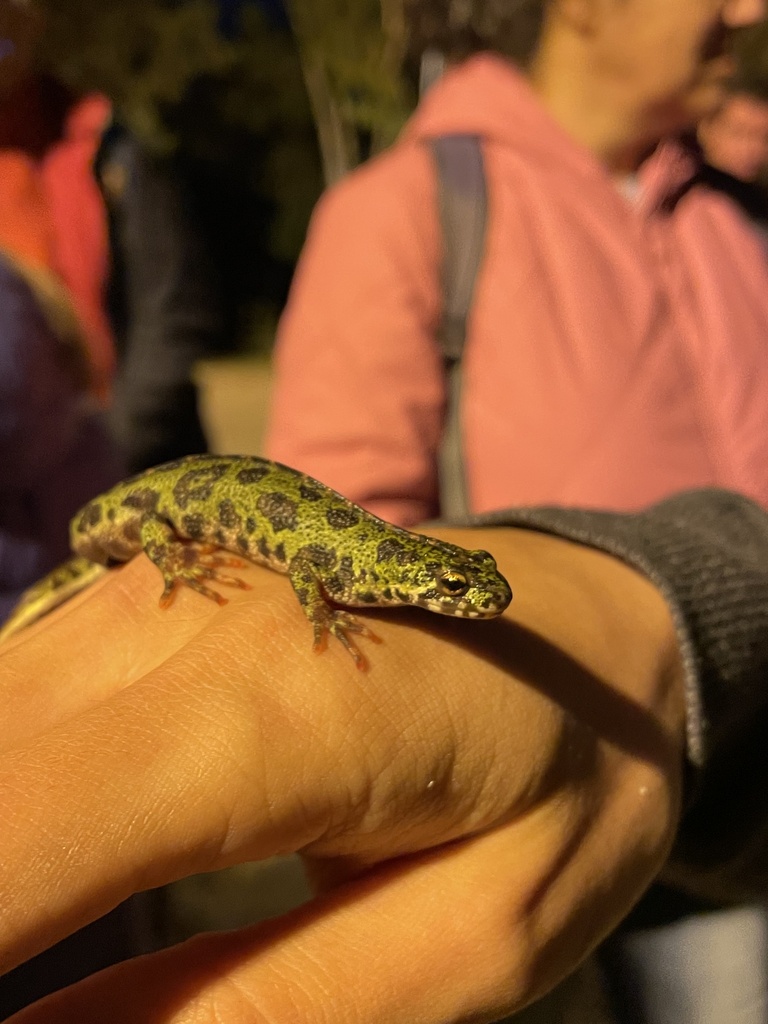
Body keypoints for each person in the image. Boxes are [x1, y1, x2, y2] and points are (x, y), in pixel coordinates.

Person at [265, 0, 768, 1019]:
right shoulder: (408, 205)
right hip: (591, 807)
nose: (747, 8)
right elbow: (335, 521)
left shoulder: (733, 214)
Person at [0, 485, 767, 1022]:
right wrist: (317, 614)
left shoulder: (392, 567)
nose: (476, 601)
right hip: (155, 510)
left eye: (468, 587)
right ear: (412, 574)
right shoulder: (355, 569)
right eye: (452, 588)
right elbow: (307, 568)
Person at [696, 84, 768, 234]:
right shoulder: (687, 202)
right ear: (706, 129)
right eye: (739, 133)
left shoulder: (757, 202)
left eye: (764, 137)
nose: (754, 149)